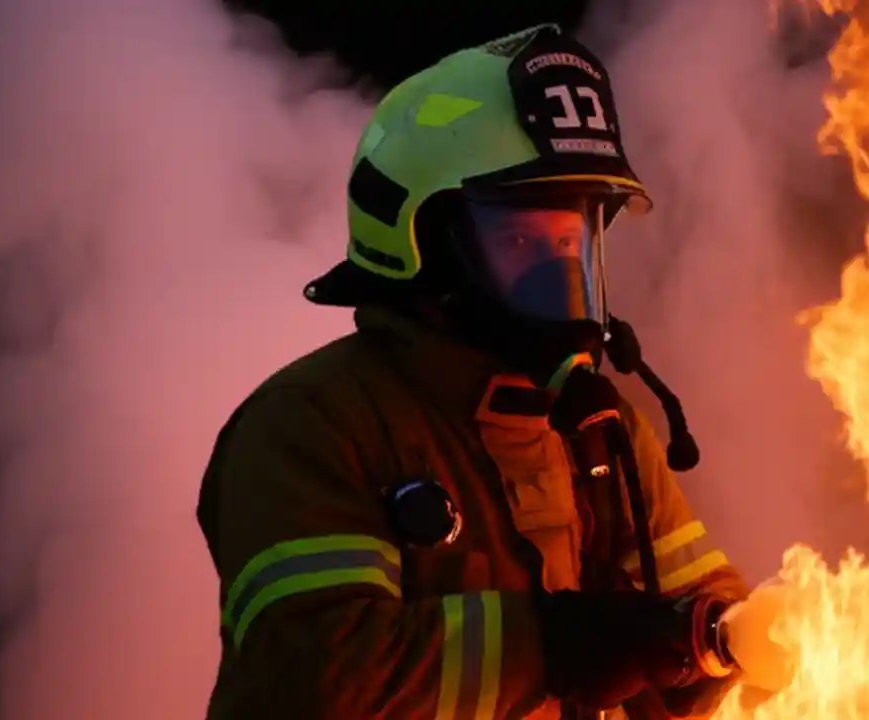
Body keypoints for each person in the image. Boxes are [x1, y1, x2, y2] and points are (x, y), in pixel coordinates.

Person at [196, 23, 748, 719]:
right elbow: (322, 674)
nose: (559, 273)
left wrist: (709, 646)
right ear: (422, 241)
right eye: (520, 237)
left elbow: (692, 607)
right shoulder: (311, 425)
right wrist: (553, 650)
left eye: (570, 239)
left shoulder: (601, 432)